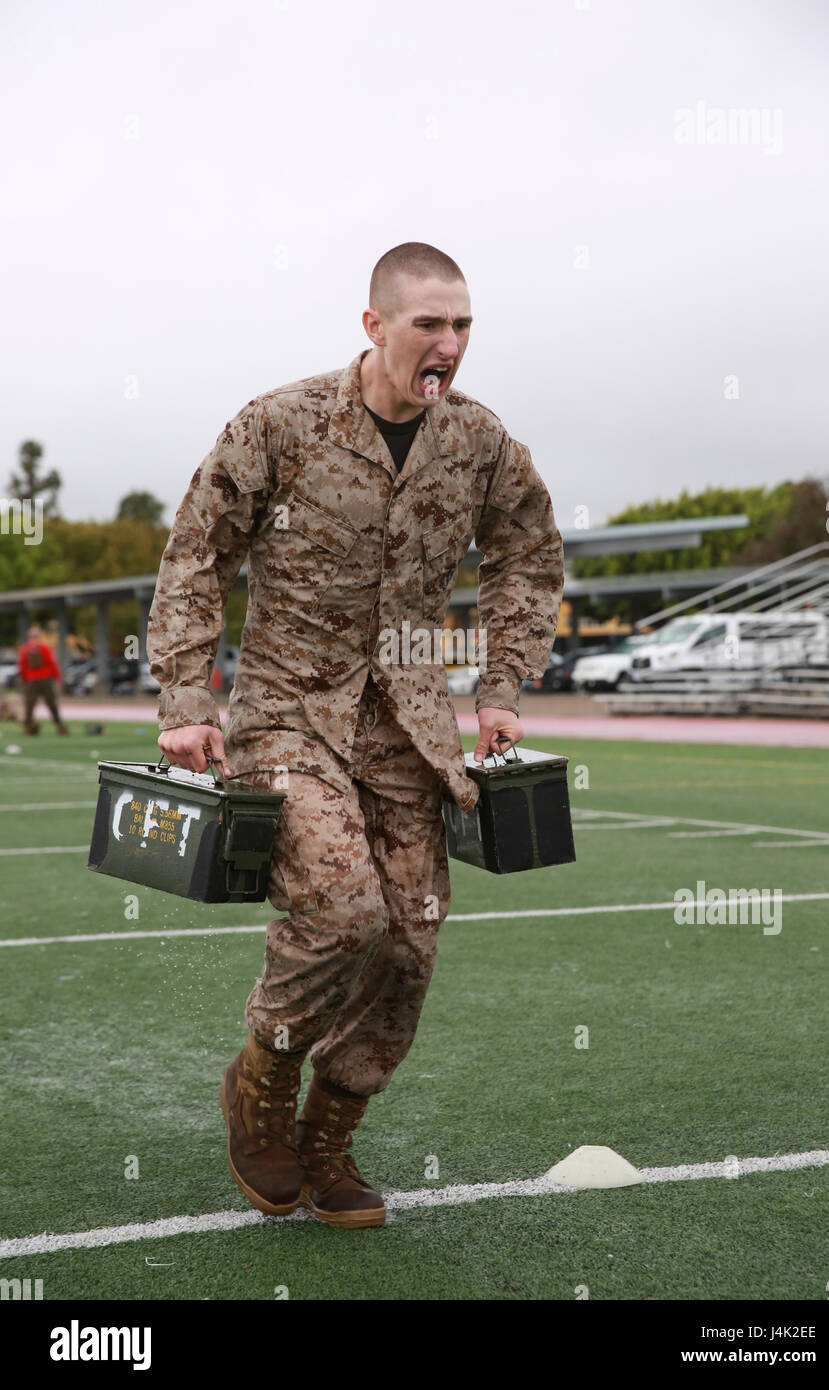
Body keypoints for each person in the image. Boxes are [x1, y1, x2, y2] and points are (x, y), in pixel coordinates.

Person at [148, 242, 564, 1229]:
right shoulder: (281, 424)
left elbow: (528, 549)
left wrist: (503, 683)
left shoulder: (476, 442)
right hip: (289, 713)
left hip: (408, 728)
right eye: (429, 322)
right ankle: (260, 1076)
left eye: (462, 325)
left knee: (410, 948)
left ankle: (328, 1136)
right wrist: (183, 700)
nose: (449, 343)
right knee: (343, 914)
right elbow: (197, 551)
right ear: (374, 326)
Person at [18, 625, 68, 735]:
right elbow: (52, 663)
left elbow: (22, 666)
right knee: (51, 703)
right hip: (45, 678)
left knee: (29, 704)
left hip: (31, 679)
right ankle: (59, 726)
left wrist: (24, 680)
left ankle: (28, 727)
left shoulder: (25, 649)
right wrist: (57, 678)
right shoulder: (44, 648)